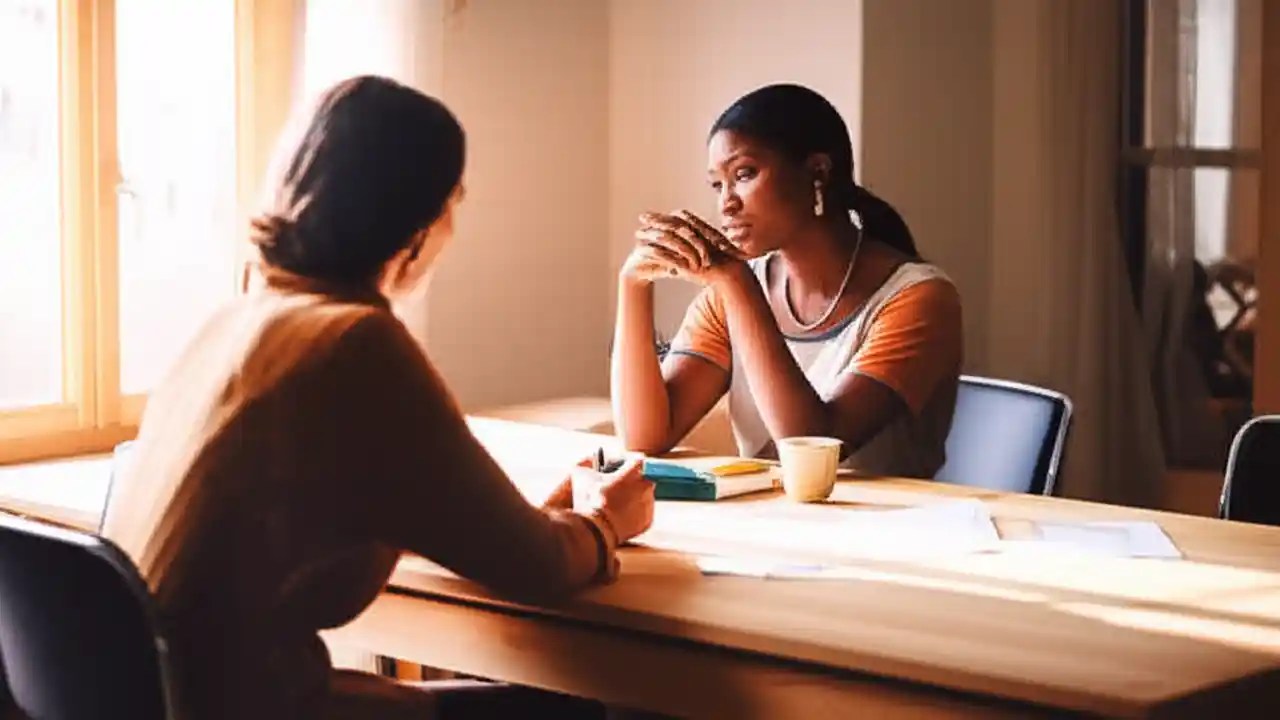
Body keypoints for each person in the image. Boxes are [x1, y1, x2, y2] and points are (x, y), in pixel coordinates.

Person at [100, 75, 654, 720]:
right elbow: (535, 569)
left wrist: (529, 521)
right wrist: (605, 523)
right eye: (455, 201)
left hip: (157, 701)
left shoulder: (239, 320)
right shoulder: (356, 343)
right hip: (255, 708)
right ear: (418, 221)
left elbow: (367, 504)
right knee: (627, 707)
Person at [611, 84, 963, 479]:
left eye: (744, 174)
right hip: (769, 527)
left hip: (887, 532)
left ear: (818, 172)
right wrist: (634, 284)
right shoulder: (732, 292)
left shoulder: (920, 299)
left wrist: (737, 283)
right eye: (717, 184)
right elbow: (645, 436)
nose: (726, 203)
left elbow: (811, 445)